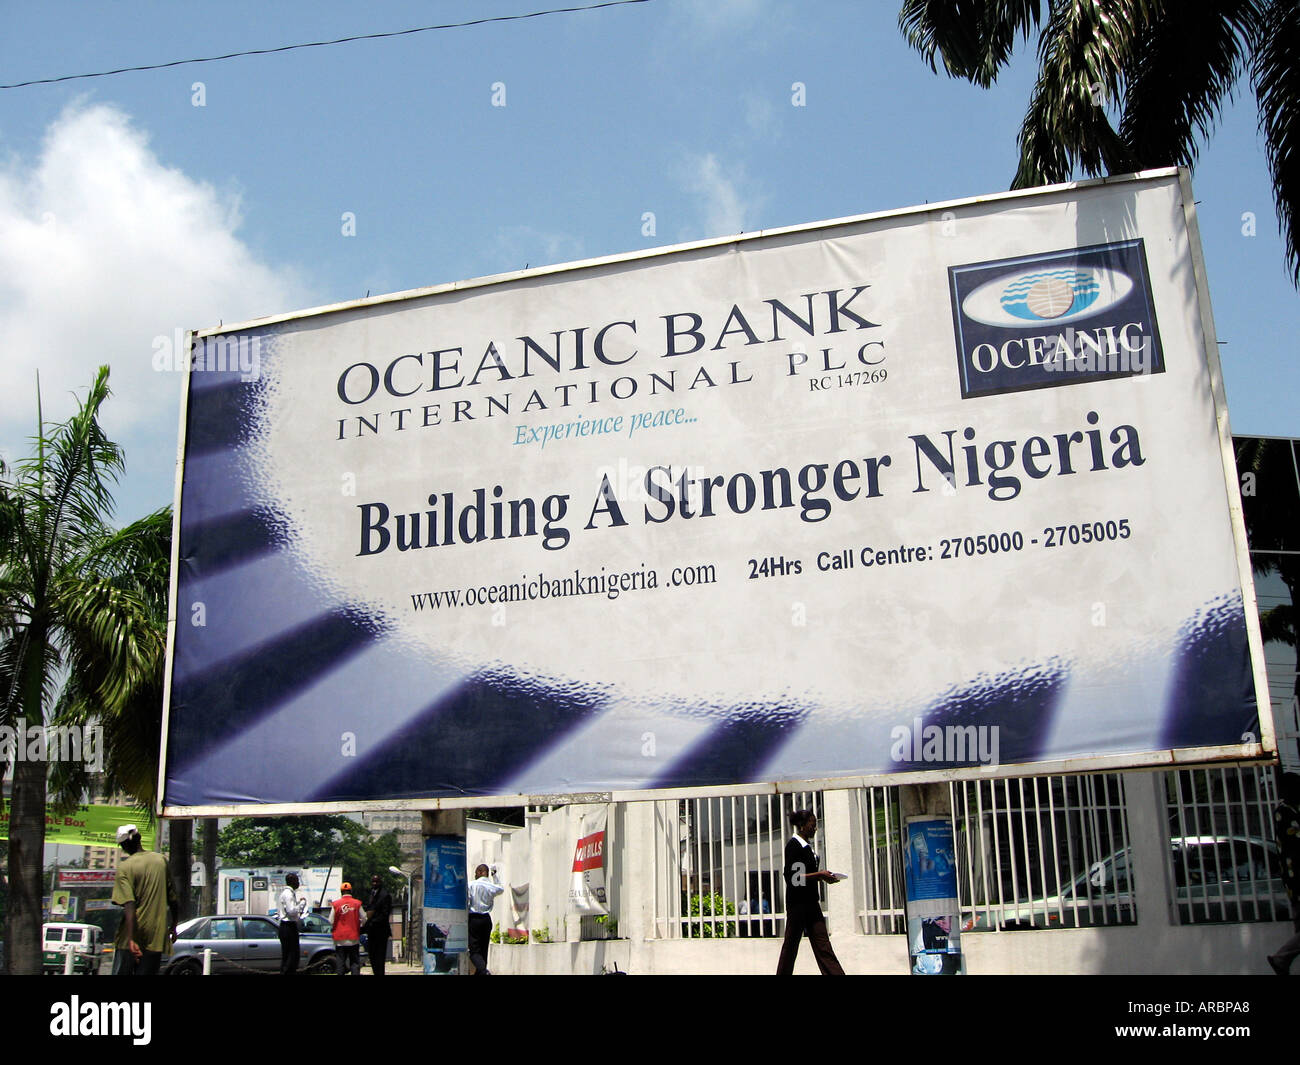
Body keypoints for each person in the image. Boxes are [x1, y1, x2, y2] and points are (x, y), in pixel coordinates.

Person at [776, 809, 844, 975]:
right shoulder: (794, 846)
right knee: (791, 947)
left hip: (811, 903)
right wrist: (819, 875)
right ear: (802, 826)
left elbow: (806, 875)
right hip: (797, 905)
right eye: (812, 825)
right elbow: (793, 877)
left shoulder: (807, 847)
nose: (815, 828)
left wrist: (823, 877)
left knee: (823, 946)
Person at [111, 824, 177, 975]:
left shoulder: (125, 867)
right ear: (139, 839)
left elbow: (129, 903)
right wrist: (173, 925)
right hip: (156, 935)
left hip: (131, 936)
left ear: (125, 845)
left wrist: (131, 938)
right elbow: (173, 898)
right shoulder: (161, 861)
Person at [1268, 772, 1300, 975]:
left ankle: (1283, 961)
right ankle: (1281, 958)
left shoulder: (1292, 809)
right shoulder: (1284, 812)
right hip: (1296, 881)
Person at [467, 863, 504, 975]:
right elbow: (500, 889)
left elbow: (467, 900)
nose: (475, 875)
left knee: (474, 950)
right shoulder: (492, 887)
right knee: (484, 949)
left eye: (476, 872)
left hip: (474, 918)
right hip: (486, 920)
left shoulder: (471, 885)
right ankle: (481, 972)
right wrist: (494, 875)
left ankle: (483, 971)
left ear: (479, 872)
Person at [331, 882, 366, 975]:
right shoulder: (357, 903)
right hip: (353, 938)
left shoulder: (335, 904)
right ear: (351, 891)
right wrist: (359, 925)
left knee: (340, 963)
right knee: (354, 963)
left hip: (339, 939)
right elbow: (364, 918)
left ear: (341, 892)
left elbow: (330, 921)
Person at [363, 874, 394, 975]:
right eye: (373, 881)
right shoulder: (371, 894)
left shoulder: (385, 895)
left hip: (381, 931)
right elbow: (369, 909)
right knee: (372, 956)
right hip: (372, 932)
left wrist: (372, 921)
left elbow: (385, 914)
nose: (375, 883)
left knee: (379, 958)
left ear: (380, 883)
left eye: (377, 882)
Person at [277, 873, 305, 975]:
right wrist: (301, 904)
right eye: (297, 881)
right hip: (288, 926)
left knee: (289, 956)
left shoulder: (287, 893)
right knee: (291, 957)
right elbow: (291, 911)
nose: (298, 883)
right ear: (292, 881)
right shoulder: (288, 894)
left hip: (286, 926)